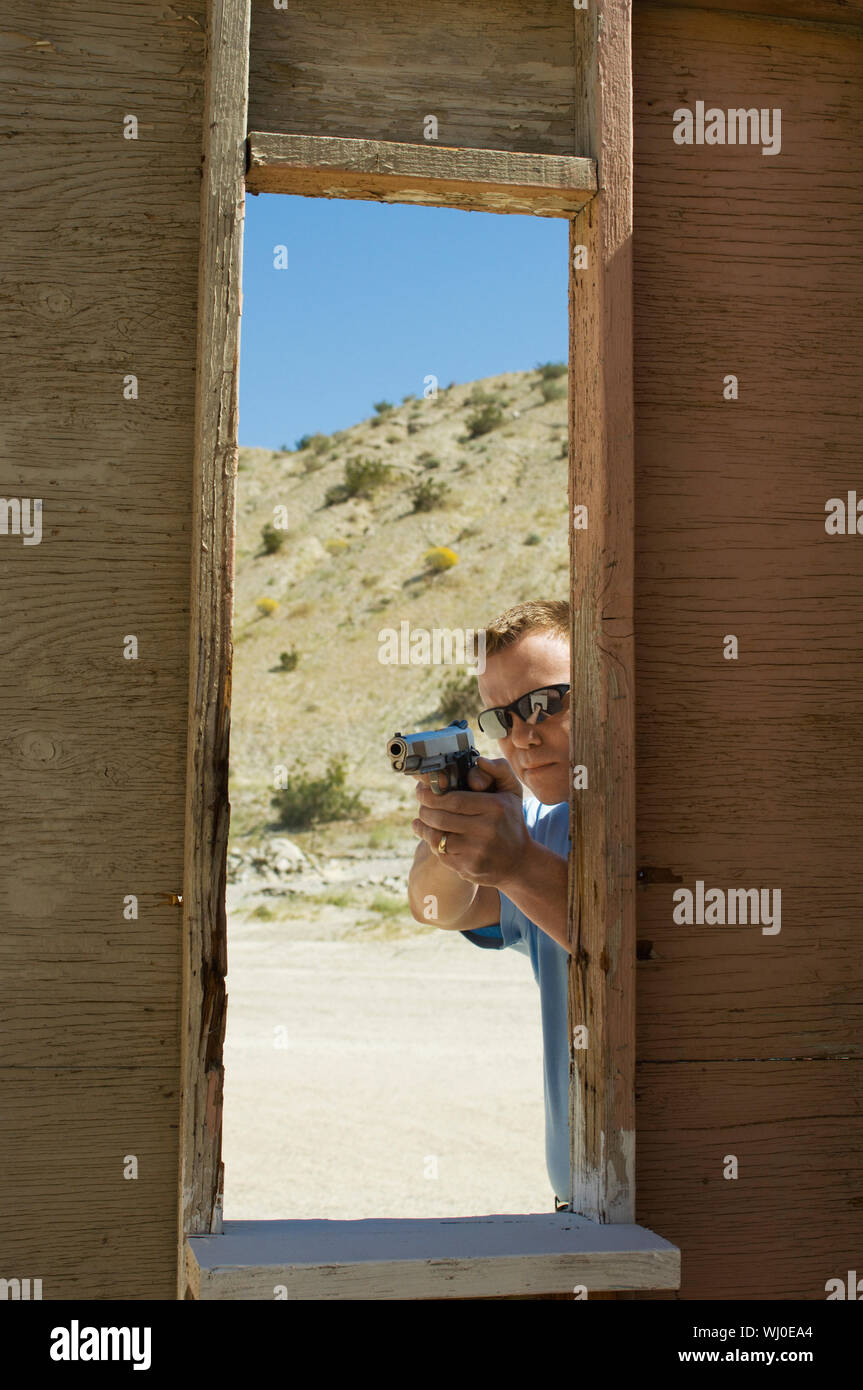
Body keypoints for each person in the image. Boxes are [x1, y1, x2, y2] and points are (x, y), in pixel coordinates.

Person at [406, 599, 573, 1209]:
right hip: (581, 1204)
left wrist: (516, 863)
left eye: (546, 703)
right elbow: (433, 908)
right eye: (502, 717)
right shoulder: (541, 828)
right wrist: (448, 818)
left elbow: (636, 954)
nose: (524, 735)